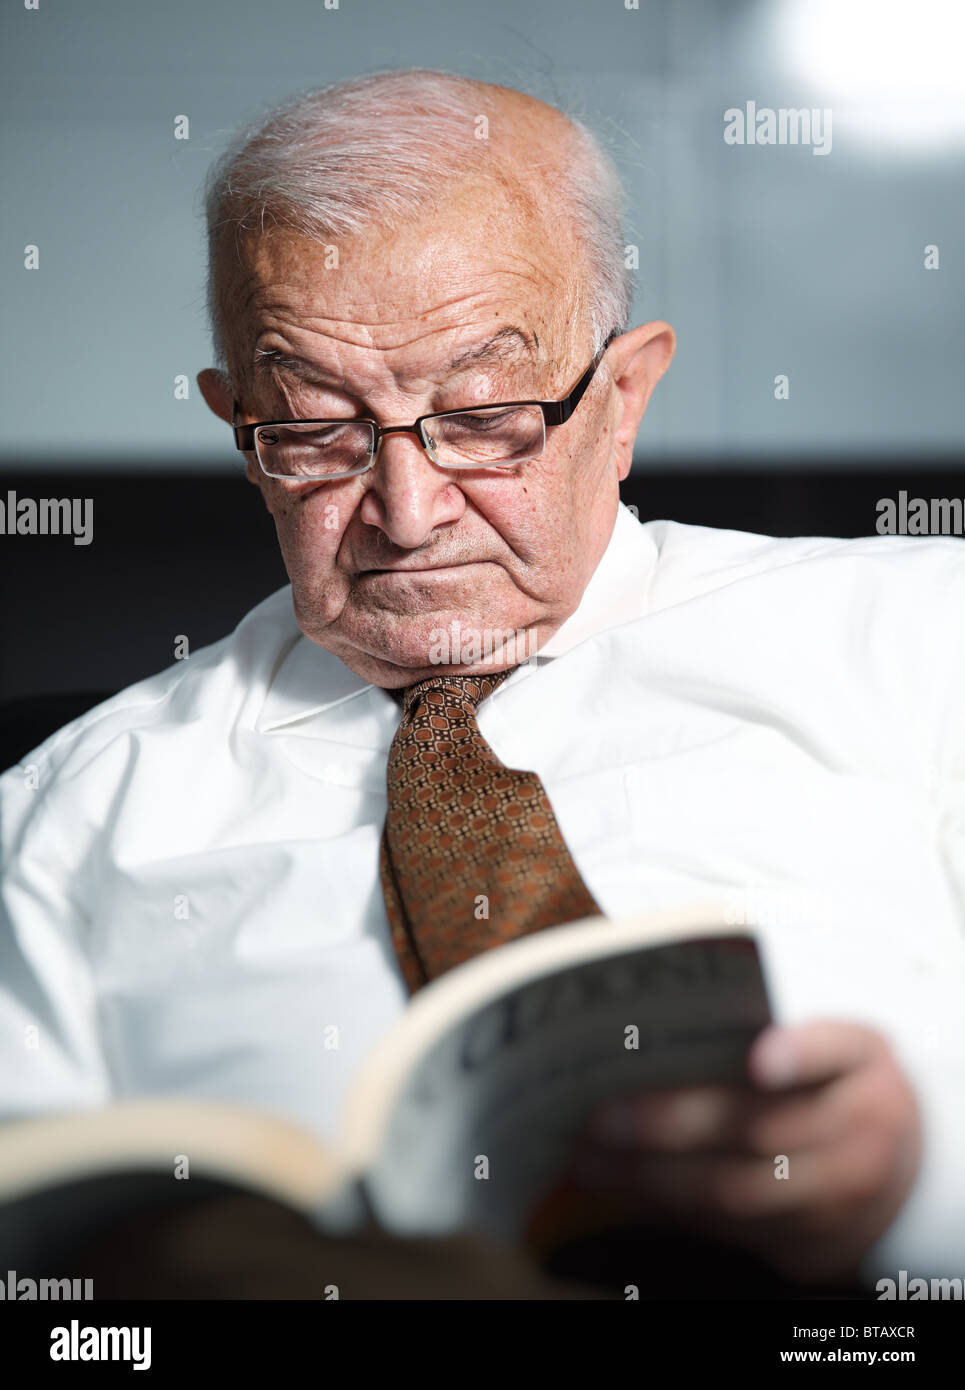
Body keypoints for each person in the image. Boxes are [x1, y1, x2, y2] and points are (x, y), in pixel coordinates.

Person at [1, 68, 963, 1298]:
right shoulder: (64, 817)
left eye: (483, 413)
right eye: (313, 431)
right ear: (238, 431)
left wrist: (915, 1177)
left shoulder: (926, 636)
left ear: (621, 401)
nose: (407, 512)